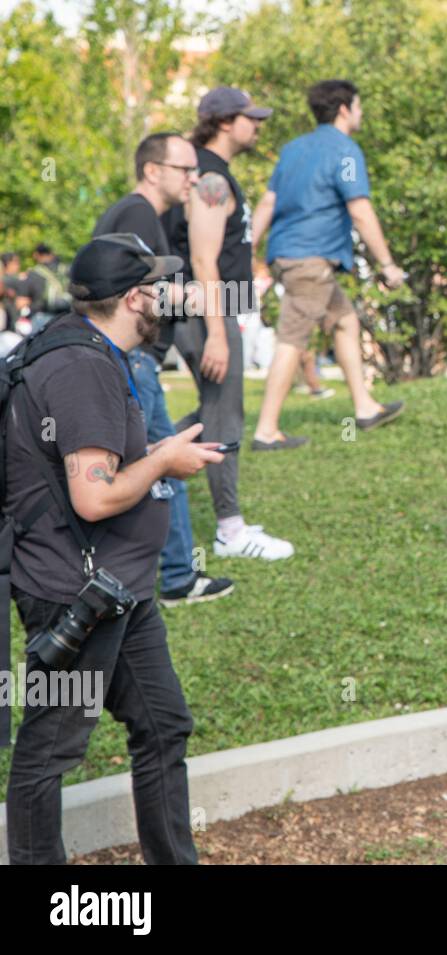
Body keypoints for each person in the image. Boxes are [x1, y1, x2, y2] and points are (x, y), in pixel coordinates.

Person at [2, 233, 225, 864]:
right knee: (49, 750)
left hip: (118, 587)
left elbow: (88, 469)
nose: (170, 296)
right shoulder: (84, 370)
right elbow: (94, 499)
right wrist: (163, 464)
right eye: (160, 287)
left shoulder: (80, 348)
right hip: (76, 595)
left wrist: (160, 454)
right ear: (134, 298)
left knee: (163, 725)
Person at [93, 131, 235, 606]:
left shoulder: (138, 216)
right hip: (134, 359)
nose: (194, 179)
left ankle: (158, 575)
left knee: (150, 462)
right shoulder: (136, 214)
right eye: (185, 170)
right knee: (154, 463)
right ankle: (166, 577)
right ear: (153, 171)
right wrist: (191, 296)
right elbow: (127, 289)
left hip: (131, 358)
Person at [162, 86, 294, 561]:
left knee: (218, 411)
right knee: (224, 413)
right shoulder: (210, 177)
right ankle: (230, 531)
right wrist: (218, 331)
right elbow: (202, 258)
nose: (258, 126)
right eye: (250, 118)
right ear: (223, 121)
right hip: (205, 310)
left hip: (220, 303)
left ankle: (146, 454)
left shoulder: (214, 173)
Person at [250, 79, 407, 451]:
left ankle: (365, 407)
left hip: (290, 255)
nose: (361, 112)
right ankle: (266, 431)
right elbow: (360, 209)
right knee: (293, 337)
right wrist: (387, 264)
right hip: (312, 259)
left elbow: (268, 203)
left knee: (344, 320)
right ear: (343, 110)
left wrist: (249, 246)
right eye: (359, 105)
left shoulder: (292, 150)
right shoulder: (346, 153)